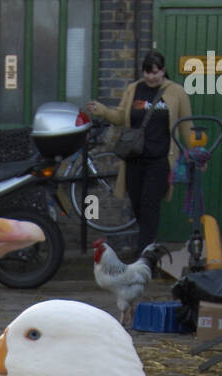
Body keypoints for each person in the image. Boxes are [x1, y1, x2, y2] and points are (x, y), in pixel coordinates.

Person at [86, 52, 192, 245]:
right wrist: (102, 111)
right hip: (134, 158)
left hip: (160, 160)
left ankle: (143, 255)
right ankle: (150, 247)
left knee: (150, 204)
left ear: (163, 70)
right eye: (147, 72)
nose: (151, 77)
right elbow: (120, 117)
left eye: (155, 72)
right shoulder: (134, 89)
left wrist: (196, 152)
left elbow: (186, 125)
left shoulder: (176, 92)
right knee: (137, 204)